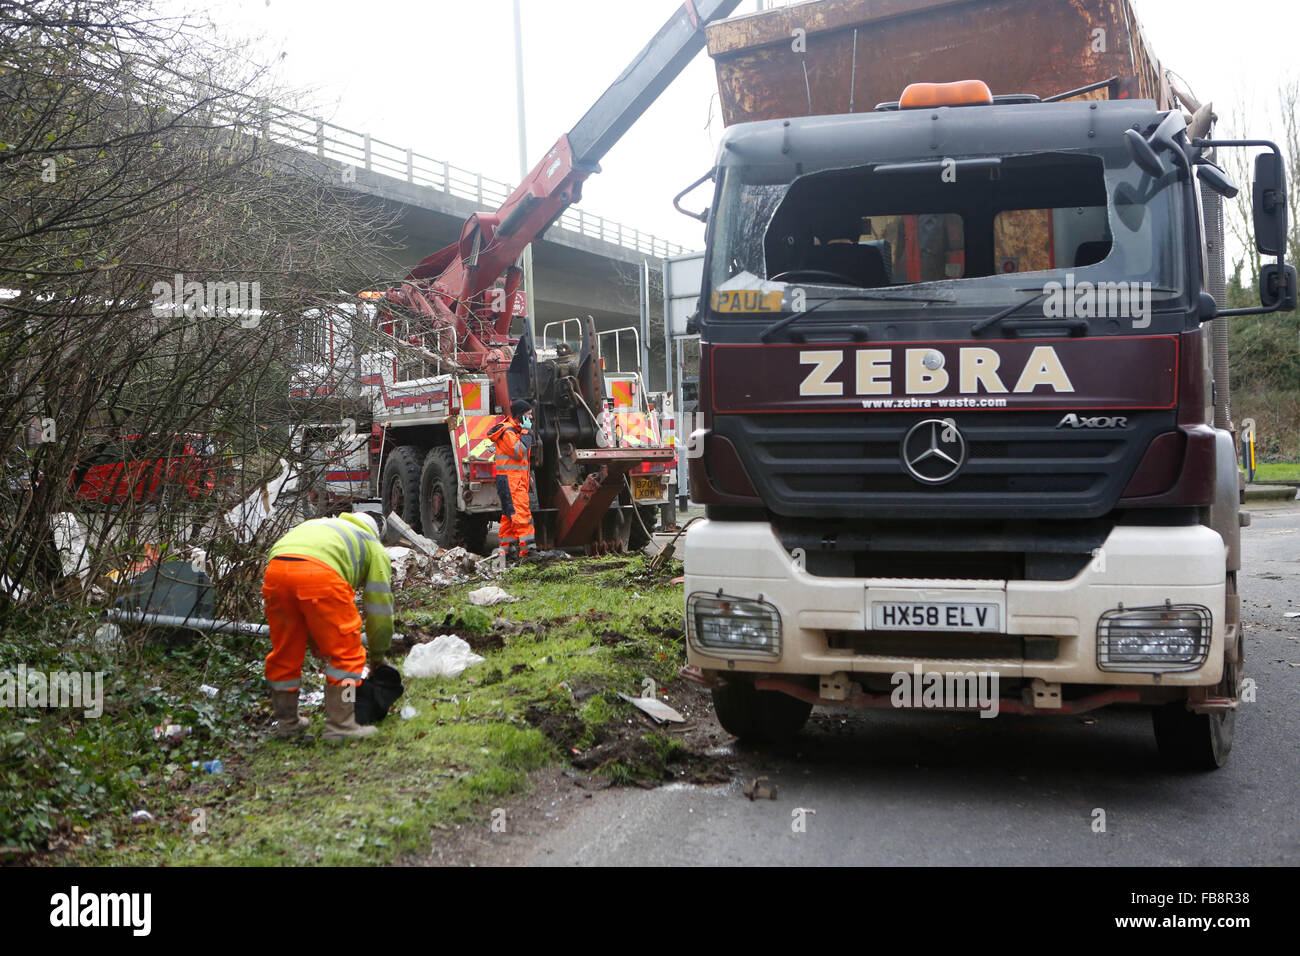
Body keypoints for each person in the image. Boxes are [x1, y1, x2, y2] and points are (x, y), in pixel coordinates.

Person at [261, 511, 394, 742]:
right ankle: (341, 725)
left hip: (276, 570)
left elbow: (301, 588)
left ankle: (287, 723)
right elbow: (379, 609)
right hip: (320, 574)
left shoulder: (323, 526)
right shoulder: (372, 544)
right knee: (348, 655)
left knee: (285, 651)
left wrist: (316, 639)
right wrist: (378, 655)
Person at [487, 398, 534, 561]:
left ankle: (505, 551)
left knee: (509, 516)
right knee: (521, 514)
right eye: (528, 414)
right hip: (511, 481)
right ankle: (528, 551)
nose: (531, 418)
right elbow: (519, 452)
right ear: (520, 415)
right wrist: (527, 433)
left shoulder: (514, 431)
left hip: (512, 481)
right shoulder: (508, 432)